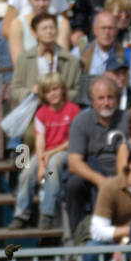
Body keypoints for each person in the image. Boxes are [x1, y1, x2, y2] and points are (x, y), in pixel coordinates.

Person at [10, 72, 79, 230]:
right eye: (48, 91)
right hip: (45, 151)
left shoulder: (73, 109)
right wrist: (41, 163)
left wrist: (49, 155)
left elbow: (73, 139)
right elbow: (40, 139)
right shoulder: (41, 113)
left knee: (52, 170)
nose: (53, 94)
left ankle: (47, 213)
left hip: (64, 150)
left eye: (55, 89)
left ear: (62, 89)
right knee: (26, 172)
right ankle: (21, 214)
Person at [65, 76, 127, 239]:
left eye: (110, 97)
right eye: (101, 98)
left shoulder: (128, 119)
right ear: (92, 101)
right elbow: (74, 162)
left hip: (125, 173)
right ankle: (77, 234)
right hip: (94, 174)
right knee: (74, 184)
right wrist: (100, 181)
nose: (106, 102)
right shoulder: (81, 121)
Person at [8, 11, 81, 108]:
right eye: (44, 28)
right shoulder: (24, 59)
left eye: (52, 28)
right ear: (34, 34)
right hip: (33, 110)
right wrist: (31, 92)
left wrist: (59, 95)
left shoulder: (71, 60)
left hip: (62, 111)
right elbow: (14, 90)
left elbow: (77, 90)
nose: (49, 31)